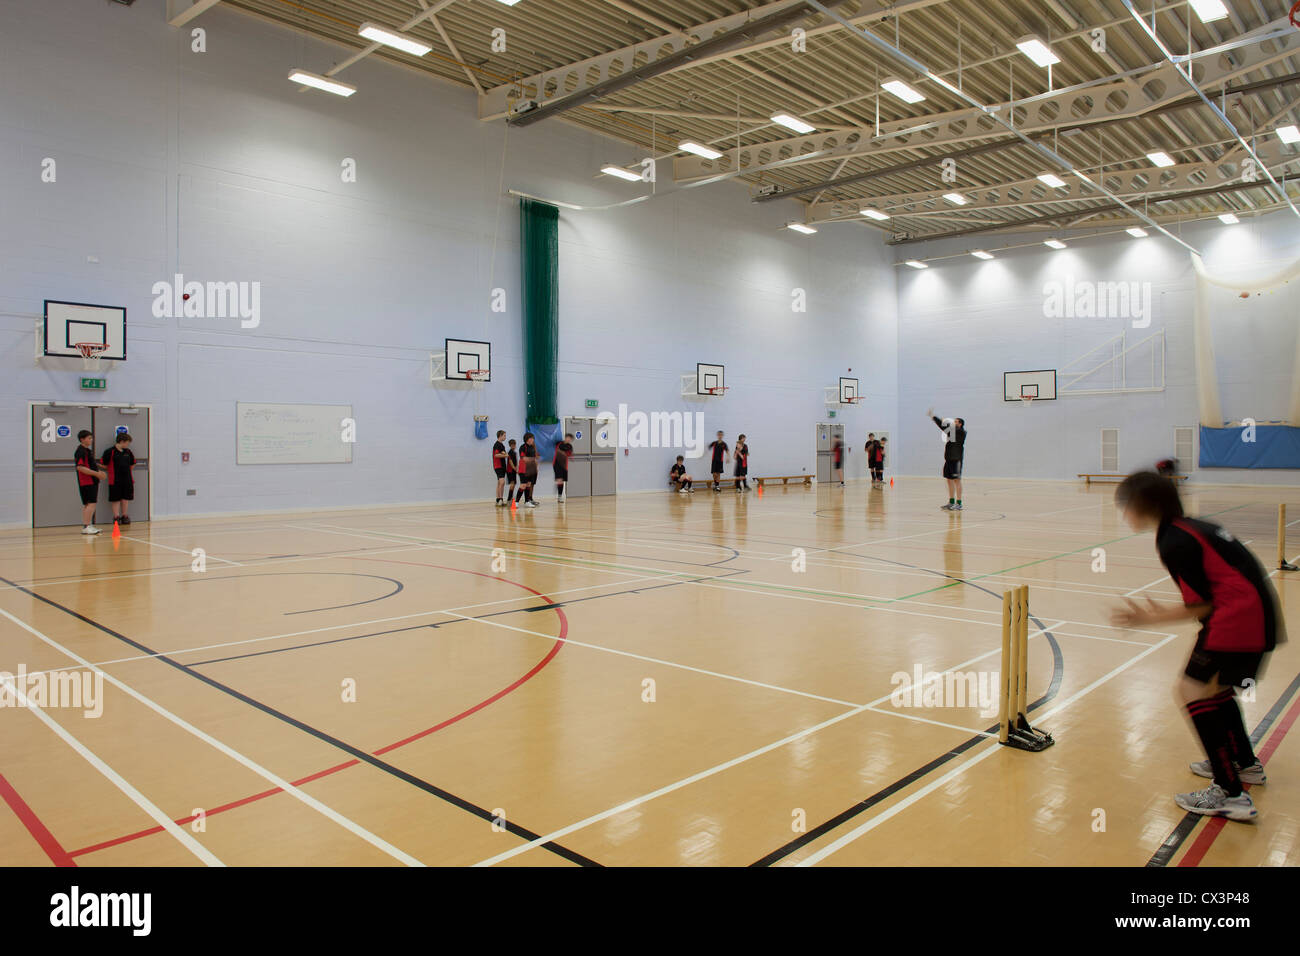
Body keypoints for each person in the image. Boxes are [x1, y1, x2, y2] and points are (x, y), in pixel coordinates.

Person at [1111, 471, 1281, 821]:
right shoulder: (1190, 527)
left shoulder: (1173, 541)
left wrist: (1149, 618)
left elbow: (1201, 605)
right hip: (1255, 613)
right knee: (1213, 689)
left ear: (1146, 506)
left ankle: (1229, 792)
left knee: (1191, 690)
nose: (1124, 512)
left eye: (1127, 505)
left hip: (1238, 618)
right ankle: (1244, 764)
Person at [928, 408, 965, 510]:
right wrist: (936, 419)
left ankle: (959, 503)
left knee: (957, 480)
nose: (954, 422)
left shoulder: (961, 432)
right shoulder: (952, 433)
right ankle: (951, 501)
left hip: (956, 460)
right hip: (949, 459)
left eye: (956, 421)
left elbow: (945, 427)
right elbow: (944, 428)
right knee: (949, 480)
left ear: (960, 424)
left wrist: (938, 419)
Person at [74, 429, 108, 535]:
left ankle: (88, 524)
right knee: (91, 504)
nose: (91, 440)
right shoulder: (81, 451)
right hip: (87, 481)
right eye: (89, 438)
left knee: (89, 504)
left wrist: (99, 472)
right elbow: (80, 467)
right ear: (82, 439)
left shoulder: (87, 451)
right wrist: (97, 474)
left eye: (91, 438)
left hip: (92, 481)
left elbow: (90, 465)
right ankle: (86, 526)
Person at [102, 432, 136, 524]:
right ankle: (116, 516)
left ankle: (124, 515)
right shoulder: (110, 452)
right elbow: (104, 465)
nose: (128, 445)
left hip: (127, 479)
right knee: (115, 498)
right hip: (115, 480)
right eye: (127, 442)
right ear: (121, 441)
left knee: (125, 498)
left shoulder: (128, 452)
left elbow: (132, 464)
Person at [516, 433, 539, 508]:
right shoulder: (523, 447)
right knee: (523, 485)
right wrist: (533, 460)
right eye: (531, 438)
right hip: (523, 469)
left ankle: (527, 501)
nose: (533, 440)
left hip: (530, 469)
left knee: (529, 484)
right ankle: (516, 502)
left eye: (533, 438)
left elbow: (534, 459)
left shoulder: (532, 447)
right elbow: (524, 458)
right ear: (527, 439)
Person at [554, 433, 574, 502]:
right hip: (557, 464)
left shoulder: (570, 446)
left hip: (564, 465)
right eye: (567, 438)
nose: (568, 439)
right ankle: (559, 496)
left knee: (562, 481)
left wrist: (563, 453)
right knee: (559, 480)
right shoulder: (558, 443)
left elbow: (569, 455)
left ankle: (559, 496)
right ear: (565, 438)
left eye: (570, 439)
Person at [492, 430, 509, 506]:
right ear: (500, 436)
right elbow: (496, 455)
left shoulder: (502, 445)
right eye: (504, 435)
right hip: (498, 466)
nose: (505, 437)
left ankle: (499, 499)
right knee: (502, 482)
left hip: (502, 466)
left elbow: (502, 453)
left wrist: (504, 454)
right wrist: (505, 455)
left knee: (500, 483)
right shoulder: (497, 444)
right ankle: (499, 500)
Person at [505, 439, 519, 503]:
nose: (513, 446)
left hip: (513, 470)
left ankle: (510, 498)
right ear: (510, 445)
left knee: (513, 484)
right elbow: (510, 462)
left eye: (514, 445)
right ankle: (509, 499)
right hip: (510, 470)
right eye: (512, 445)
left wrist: (517, 468)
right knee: (512, 484)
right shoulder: (510, 452)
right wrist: (515, 469)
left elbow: (516, 462)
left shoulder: (514, 452)